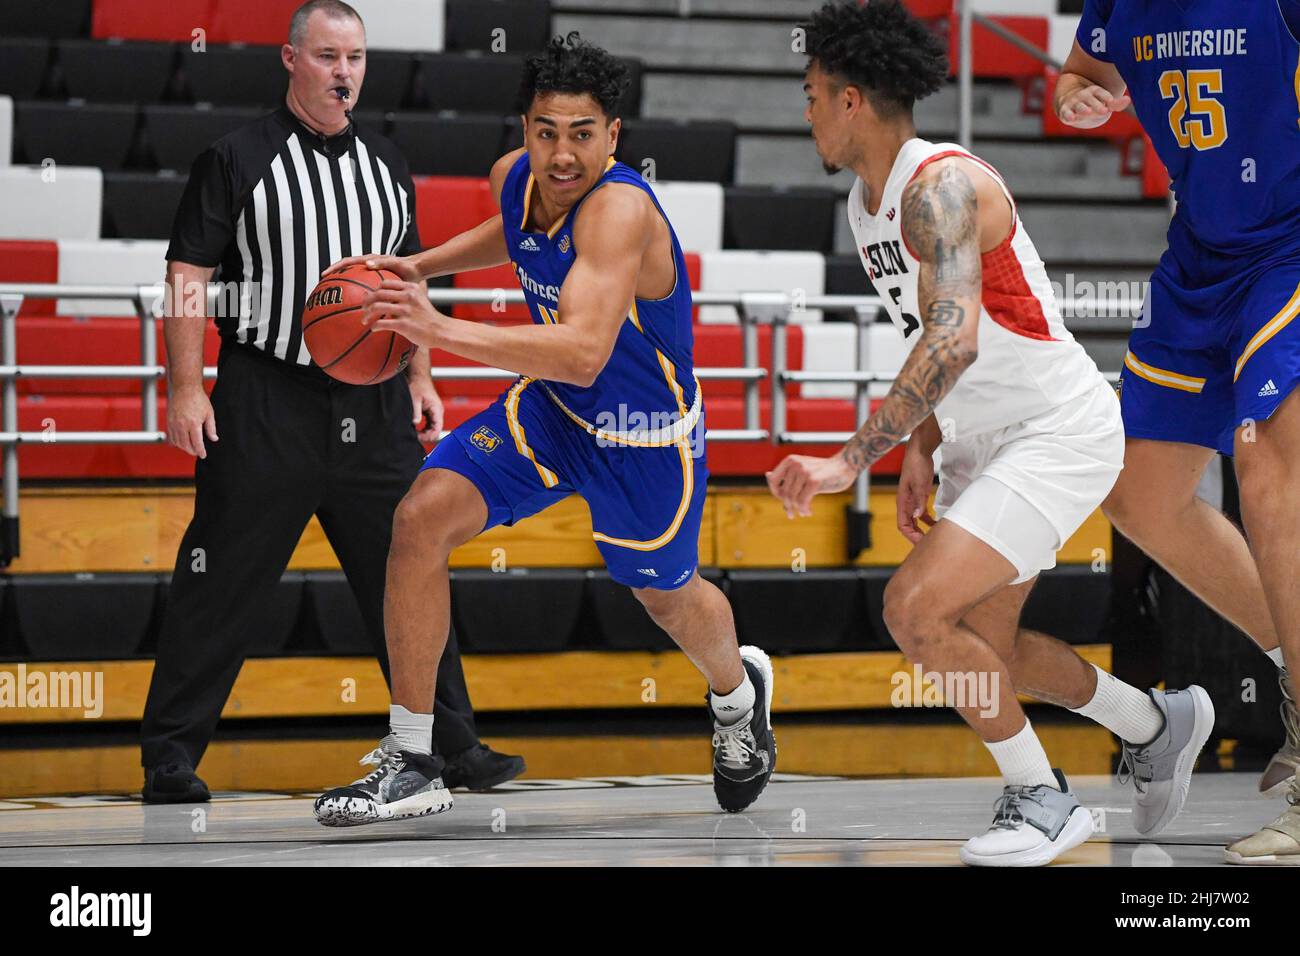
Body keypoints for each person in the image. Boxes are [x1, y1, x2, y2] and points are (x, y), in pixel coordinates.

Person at [768, 0, 1213, 867]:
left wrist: (847, 460)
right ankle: (1156, 722)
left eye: (814, 93)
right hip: (983, 438)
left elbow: (953, 337)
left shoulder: (940, 187)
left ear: (853, 99)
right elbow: (921, 329)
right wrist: (925, 447)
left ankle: (1044, 800)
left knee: (913, 608)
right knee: (989, 652)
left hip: (1054, 430)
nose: (807, 111)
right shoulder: (868, 205)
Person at [311, 33, 776, 828]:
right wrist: (421, 266)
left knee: (664, 600)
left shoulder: (622, 210)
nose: (562, 156)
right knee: (419, 519)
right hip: (552, 414)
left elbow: (587, 353)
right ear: (525, 127)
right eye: (545, 131)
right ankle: (412, 759)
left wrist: (436, 325)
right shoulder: (516, 177)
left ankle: (738, 696)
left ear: (614, 135)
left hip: (643, 437)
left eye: (583, 135)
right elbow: (513, 233)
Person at [142, 0, 522, 804]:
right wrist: (184, 386)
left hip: (374, 405)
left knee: (413, 566)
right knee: (219, 582)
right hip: (265, 398)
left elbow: (404, 281)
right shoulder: (235, 157)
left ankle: (453, 747)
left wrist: (420, 375)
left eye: (354, 57)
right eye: (325, 56)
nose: (342, 71)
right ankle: (170, 757)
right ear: (290, 60)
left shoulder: (387, 164)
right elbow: (186, 279)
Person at [1057, 0, 1300, 865]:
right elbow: (1082, 74)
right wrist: (1081, 94)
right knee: (1138, 494)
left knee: (1265, 458)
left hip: (1290, 247)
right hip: (1198, 258)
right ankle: (1292, 660)